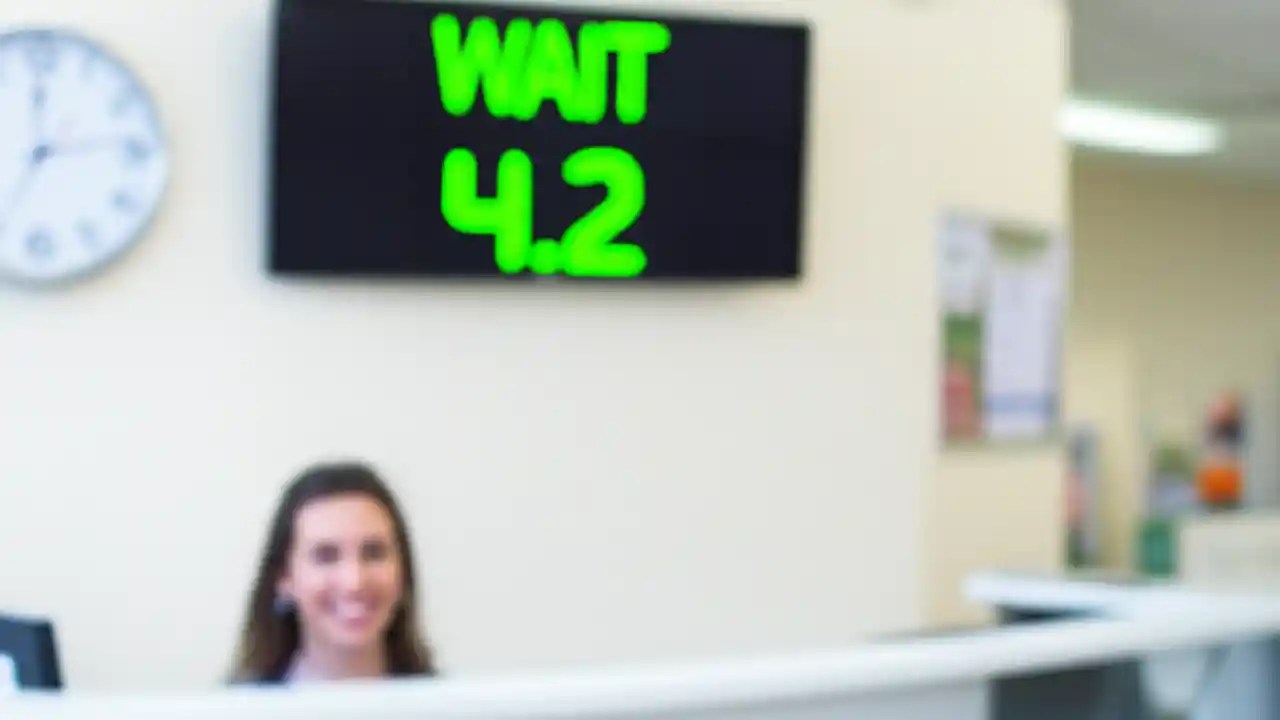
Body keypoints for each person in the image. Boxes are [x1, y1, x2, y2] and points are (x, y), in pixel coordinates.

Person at [231, 462, 436, 684]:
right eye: (326, 557)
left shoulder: (453, 708)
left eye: (374, 553)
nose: (354, 582)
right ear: (283, 577)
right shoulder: (233, 712)